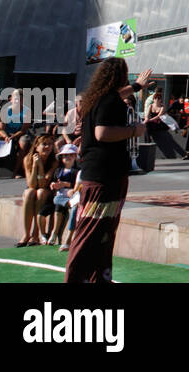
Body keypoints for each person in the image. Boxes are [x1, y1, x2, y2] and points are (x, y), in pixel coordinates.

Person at [66, 59, 154, 283]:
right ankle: (76, 279)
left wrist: (137, 86)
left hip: (104, 175)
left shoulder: (98, 98)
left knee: (102, 232)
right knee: (91, 232)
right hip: (103, 177)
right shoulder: (108, 102)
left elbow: (118, 95)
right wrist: (135, 130)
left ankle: (99, 279)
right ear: (119, 76)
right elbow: (102, 133)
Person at [17, 134, 58, 247]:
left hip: (47, 191)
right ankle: (26, 234)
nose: (48, 147)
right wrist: (35, 166)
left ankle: (35, 234)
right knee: (30, 192)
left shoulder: (54, 161)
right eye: (44, 144)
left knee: (41, 192)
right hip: (33, 186)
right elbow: (31, 184)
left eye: (50, 144)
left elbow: (43, 184)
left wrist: (40, 166)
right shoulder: (27, 159)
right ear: (36, 146)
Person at [47, 144, 80, 248]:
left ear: (75, 156)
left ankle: (67, 237)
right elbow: (54, 181)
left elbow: (77, 185)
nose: (67, 157)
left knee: (72, 208)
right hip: (61, 196)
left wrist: (65, 185)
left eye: (70, 155)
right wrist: (54, 185)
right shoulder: (58, 170)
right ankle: (54, 231)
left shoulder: (77, 171)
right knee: (56, 201)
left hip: (73, 196)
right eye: (65, 155)